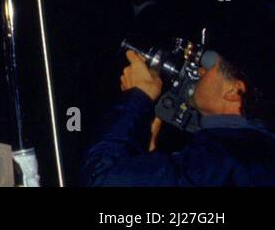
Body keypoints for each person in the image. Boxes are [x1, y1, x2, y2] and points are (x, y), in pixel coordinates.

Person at [82, 39, 275, 186]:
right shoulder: (254, 152)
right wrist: (148, 158)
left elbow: (99, 179)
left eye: (210, 68)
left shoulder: (220, 159)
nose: (200, 72)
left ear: (234, 91)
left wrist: (136, 97)